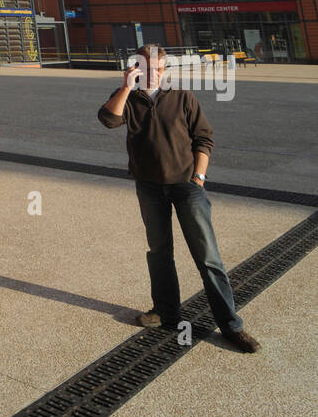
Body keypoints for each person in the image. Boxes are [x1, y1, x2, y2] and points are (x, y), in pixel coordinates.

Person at [97, 43, 260, 352]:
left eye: (158, 69)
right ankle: (165, 312)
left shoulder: (183, 98)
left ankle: (231, 325)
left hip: (187, 187)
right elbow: (108, 119)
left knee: (208, 257)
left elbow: (204, 138)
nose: (153, 74)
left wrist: (198, 178)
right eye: (146, 69)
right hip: (149, 187)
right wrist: (125, 87)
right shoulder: (129, 99)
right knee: (159, 252)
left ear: (165, 70)